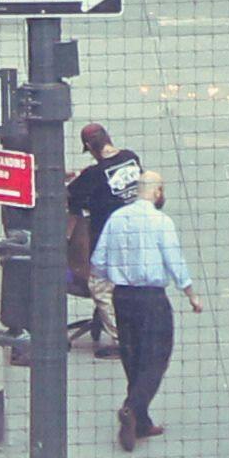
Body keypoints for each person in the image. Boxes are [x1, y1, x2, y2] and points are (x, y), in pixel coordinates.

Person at [92, 167, 201, 447]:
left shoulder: (116, 219)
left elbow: (98, 262)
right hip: (152, 298)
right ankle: (131, 408)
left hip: (123, 297)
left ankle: (140, 422)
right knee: (156, 357)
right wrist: (190, 293)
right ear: (157, 192)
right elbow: (174, 260)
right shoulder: (160, 221)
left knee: (132, 356)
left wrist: (116, 275)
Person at [61, 120, 142, 358]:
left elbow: (72, 198)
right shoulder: (131, 158)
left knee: (101, 287)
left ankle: (123, 340)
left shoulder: (94, 174)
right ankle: (138, 331)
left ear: (90, 147)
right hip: (136, 236)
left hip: (111, 243)